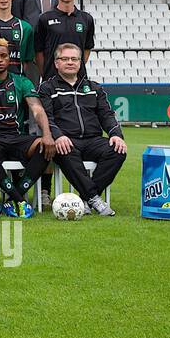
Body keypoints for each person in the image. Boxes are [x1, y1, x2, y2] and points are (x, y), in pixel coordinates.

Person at [0, 39, 55, 218]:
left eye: (3, 56)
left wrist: (47, 135)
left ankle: (12, 198)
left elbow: (37, 109)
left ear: (9, 59)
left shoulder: (22, 82)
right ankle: (20, 200)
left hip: (17, 137)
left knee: (45, 147)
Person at [37, 43, 125, 217]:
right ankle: (94, 198)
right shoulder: (47, 88)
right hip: (67, 140)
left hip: (93, 140)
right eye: (65, 59)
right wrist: (58, 136)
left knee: (117, 151)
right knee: (64, 149)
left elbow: (107, 114)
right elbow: (46, 118)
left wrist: (116, 135)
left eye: (74, 59)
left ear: (80, 62)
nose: (70, 62)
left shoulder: (94, 88)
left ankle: (86, 198)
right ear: (56, 63)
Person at [34, 0, 95, 81]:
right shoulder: (44, 19)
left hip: (79, 81)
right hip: (51, 81)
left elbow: (86, 49)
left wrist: (71, 68)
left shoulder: (87, 19)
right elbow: (39, 52)